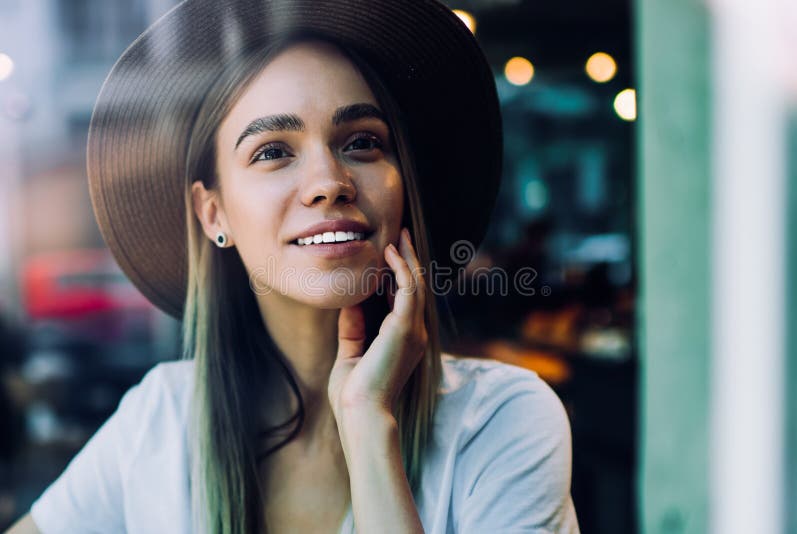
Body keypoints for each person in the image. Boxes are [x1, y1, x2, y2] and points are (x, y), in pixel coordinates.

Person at [7, 0, 580, 533]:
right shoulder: (160, 422)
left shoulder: (501, 422)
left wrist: (367, 423)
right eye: (273, 151)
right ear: (213, 213)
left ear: (403, 187)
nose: (330, 183)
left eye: (362, 141)